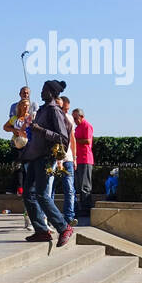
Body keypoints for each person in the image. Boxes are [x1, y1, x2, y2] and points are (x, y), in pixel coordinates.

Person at [19, 79, 73, 248]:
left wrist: (40, 130)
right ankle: (41, 230)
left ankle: (64, 227)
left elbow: (62, 138)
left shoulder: (54, 110)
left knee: (42, 194)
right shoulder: (42, 110)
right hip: (35, 157)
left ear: (51, 93)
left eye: (44, 90)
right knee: (28, 194)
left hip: (45, 157)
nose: (41, 92)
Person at [57, 95, 78, 226]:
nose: (66, 112)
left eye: (67, 110)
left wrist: (74, 157)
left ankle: (69, 216)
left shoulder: (69, 118)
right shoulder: (53, 117)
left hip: (68, 158)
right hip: (55, 158)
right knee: (50, 189)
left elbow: (72, 139)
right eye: (64, 109)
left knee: (70, 188)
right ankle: (48, 216)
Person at [72, 107, 94, 216]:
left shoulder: (87, 126)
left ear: (81, 117)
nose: (74, 120)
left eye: (76, 118)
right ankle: (82, 208)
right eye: (73, 118)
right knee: (79, 185)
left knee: (85, 186)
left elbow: (87, 140)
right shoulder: (77, 127)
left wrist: (74, 140)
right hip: (78, 159)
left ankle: (86, 209)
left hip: (85, 159)